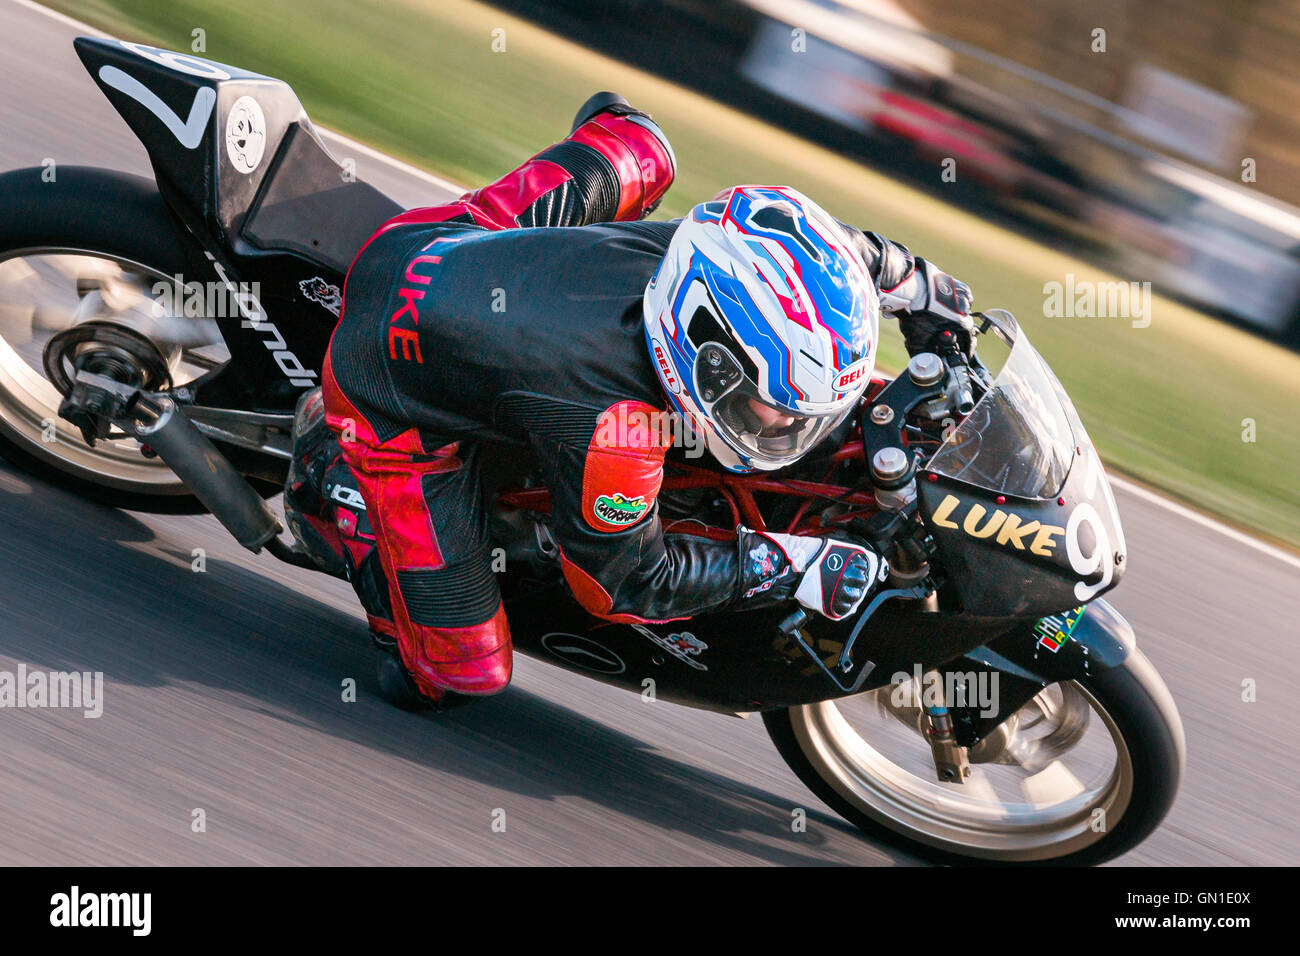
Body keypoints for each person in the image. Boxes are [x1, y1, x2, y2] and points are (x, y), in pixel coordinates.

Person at [284, 93, 974, 708]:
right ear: (706, 353)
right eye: (776, 410)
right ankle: (329, 477)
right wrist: (787, 565)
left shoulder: (734, 247)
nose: (790, 426)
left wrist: (916, 285)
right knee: (459, 674)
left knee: (639, 141)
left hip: (460, 237)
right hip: (384, 381)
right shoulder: (619, 427)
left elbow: (832, 254)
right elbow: (623, 583)